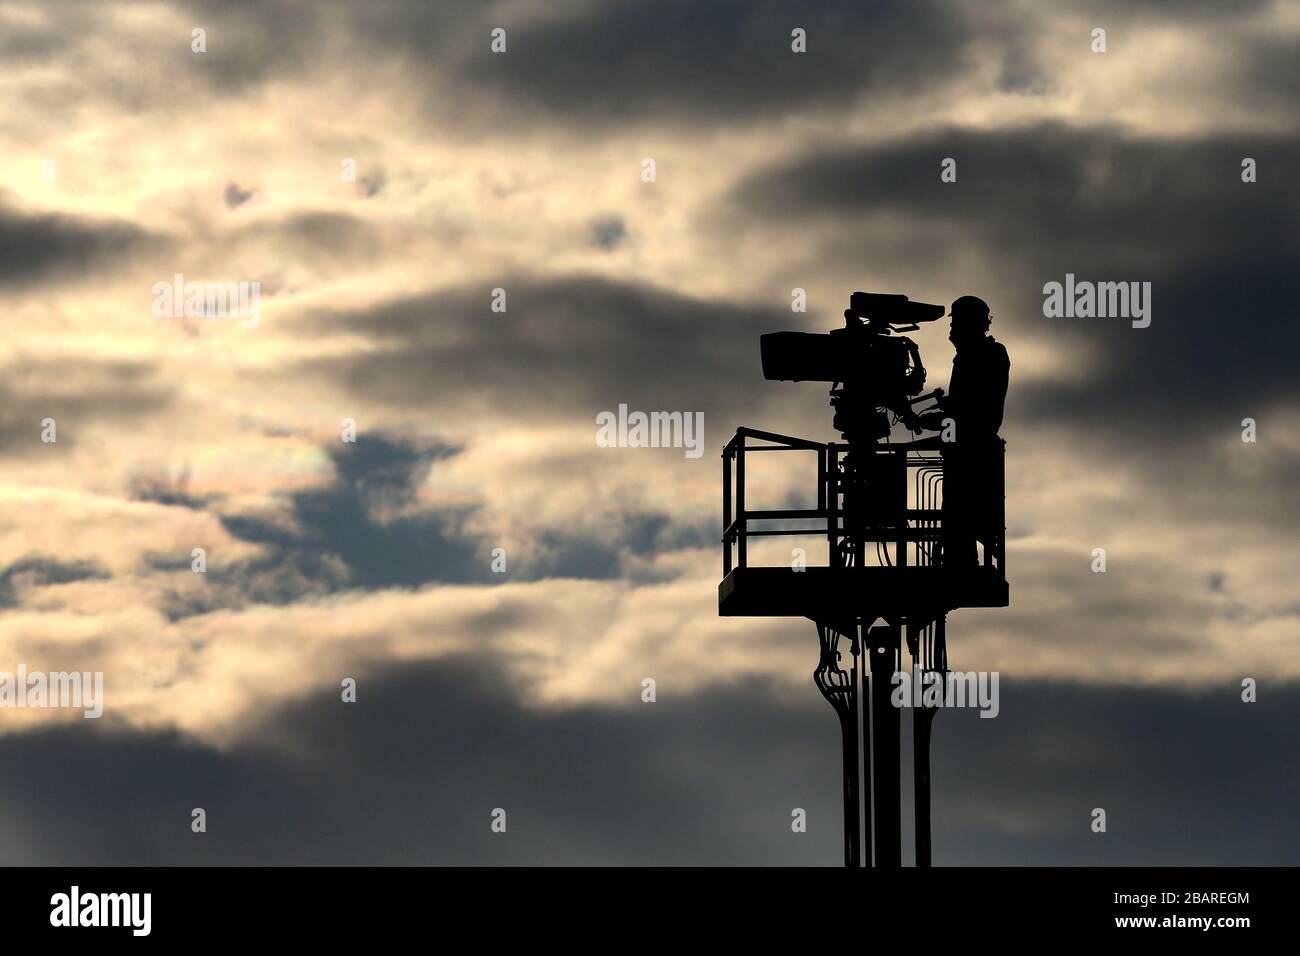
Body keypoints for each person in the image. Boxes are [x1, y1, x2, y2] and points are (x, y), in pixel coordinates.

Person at [916, 296, 1009, 567]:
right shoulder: (980, 354)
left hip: (971, 448)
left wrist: (938, 420)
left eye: (956, 323)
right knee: (960, 514)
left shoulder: (982, 355)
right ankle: (961, 559)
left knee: (961, 512)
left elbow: (970, 413)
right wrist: (939, 418)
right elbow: (962, 413)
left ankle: (961, 561)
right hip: (967, 445)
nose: (951, 331)